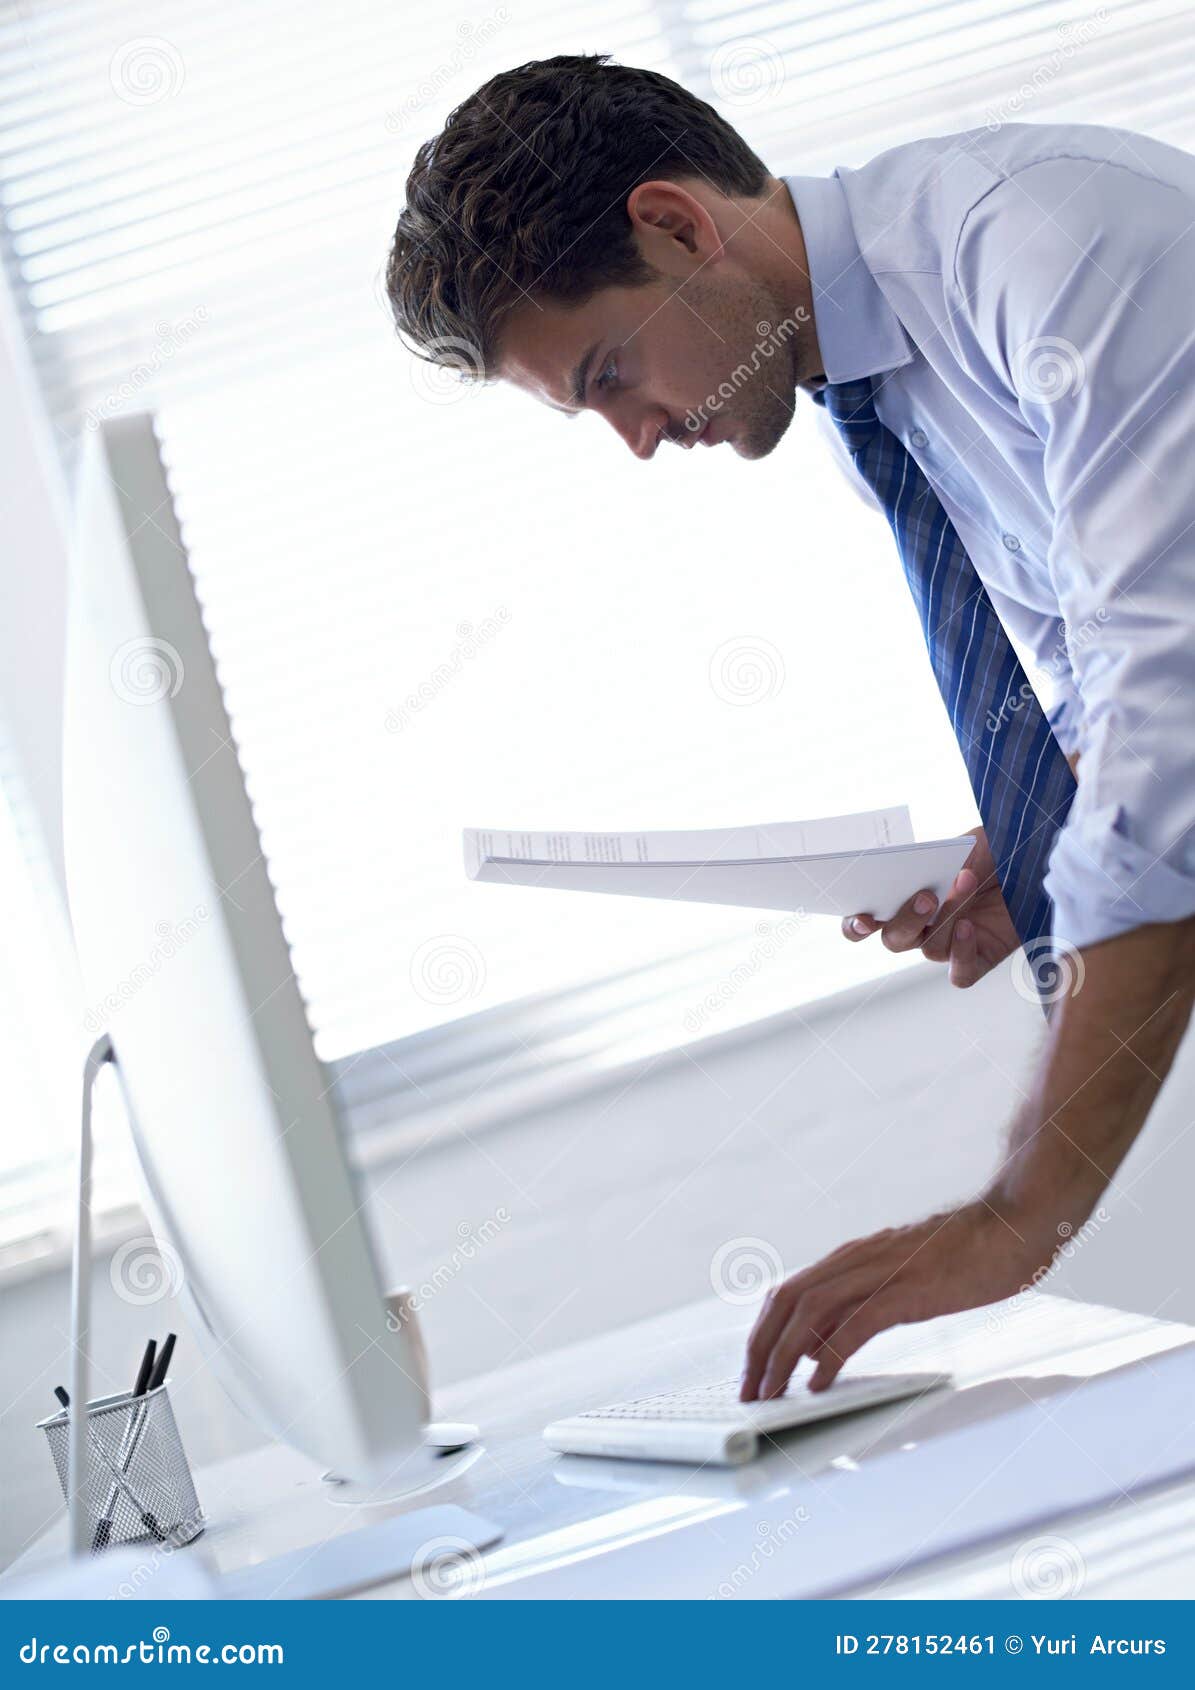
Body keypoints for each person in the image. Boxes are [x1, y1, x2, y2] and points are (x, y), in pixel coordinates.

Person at [386, 54, 1195, 1402]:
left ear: (680, 226)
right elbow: (1120, 691)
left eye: (608, 373)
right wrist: (1042, 833)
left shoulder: (1044, 253)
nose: (635, 439)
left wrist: (1019, 1213)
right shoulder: (875, 402)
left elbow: (1175, 744)